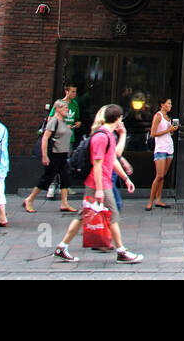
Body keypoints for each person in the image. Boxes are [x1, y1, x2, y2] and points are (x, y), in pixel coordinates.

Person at [52, 104, 142, 263]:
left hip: (100, 183)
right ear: (118, 118)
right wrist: (100, 189)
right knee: (113, 215)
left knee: (83, 215)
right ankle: (121, 251)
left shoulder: (109, 135)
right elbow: (98, 164)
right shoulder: (101, 137)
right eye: (121, 118)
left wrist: (126, 178)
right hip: (98, 184)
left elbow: (113, 159)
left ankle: (62, 247)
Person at [23, 98, 76, 213]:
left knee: (65, 178)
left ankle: (64, 203)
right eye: (65, 108)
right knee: (47, 178)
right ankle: (30, 199)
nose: (67, 110)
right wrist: (45, 155)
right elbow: (45, 138)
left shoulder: (63, 122)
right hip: (54, 154)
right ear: (57, 109)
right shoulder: (53, 121)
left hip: (62, 154)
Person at [145, 96, 177, 211]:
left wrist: (172, 130)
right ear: (162, 104)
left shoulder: (168, 117)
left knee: (162, 175)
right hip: (160, 148)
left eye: (171, 103)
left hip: (169, 147)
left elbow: (169, 134)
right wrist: (168, 130)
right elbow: (153, 133)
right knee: (159, 175)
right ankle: (150, 201)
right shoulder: (158, 116)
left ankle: (158, 199)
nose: (170, 105)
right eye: (168, 103)